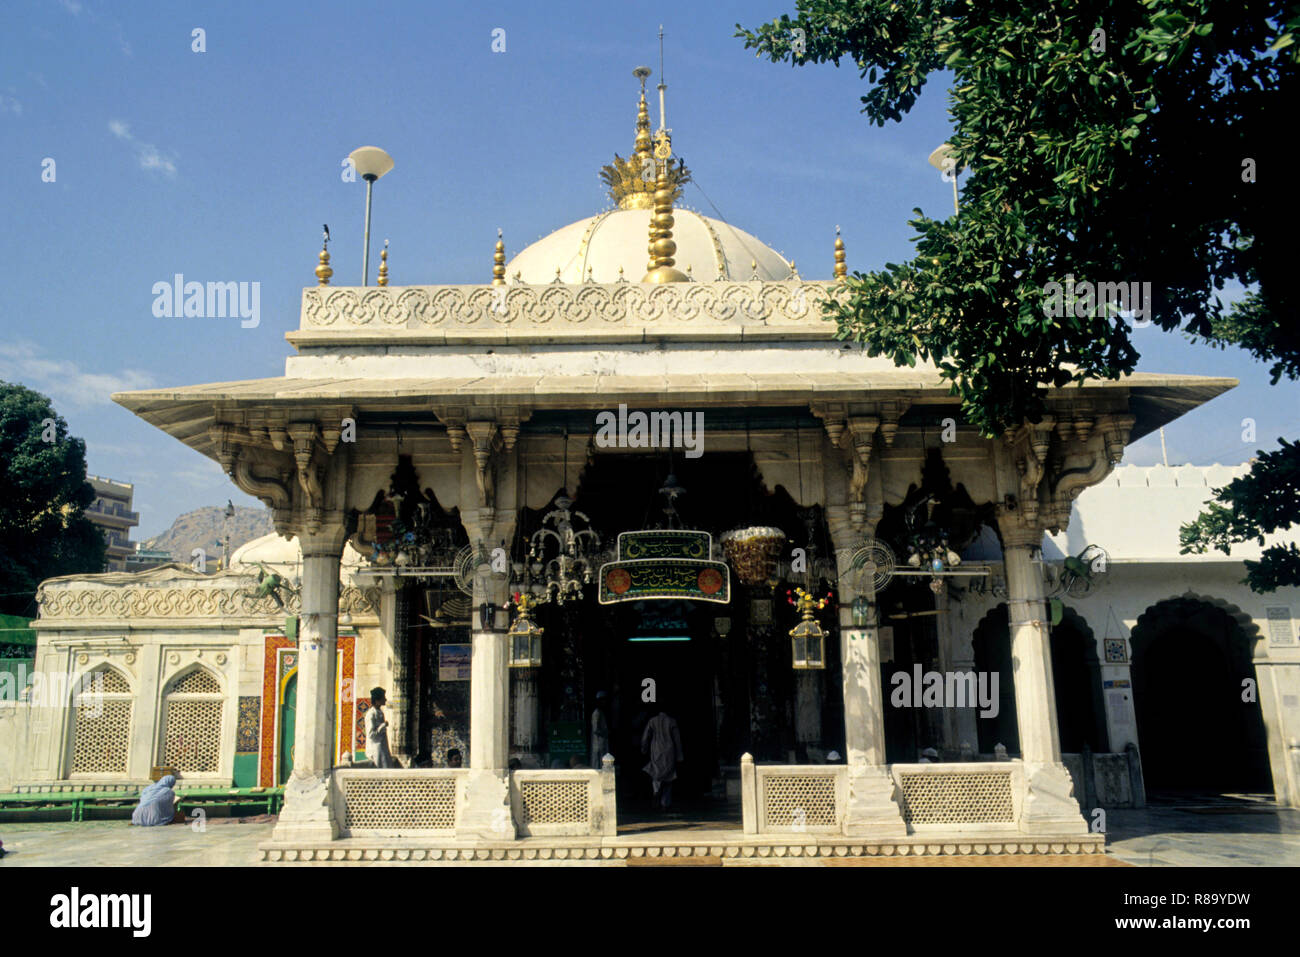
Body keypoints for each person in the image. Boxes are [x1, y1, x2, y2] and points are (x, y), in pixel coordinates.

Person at [641, 707, 684, 810]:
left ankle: (656, 791)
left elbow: (645, 736)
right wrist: (679, 755)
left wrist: (644, 748)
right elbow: (677, 739)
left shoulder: (652, 721)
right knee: (669, 776)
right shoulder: (672, 721)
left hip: (656, 750)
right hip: (669, 750)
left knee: (656, 773)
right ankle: (665, 803)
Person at [366, 688, 396, 768]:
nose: (385, 699)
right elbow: (371, 735)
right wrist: (383, 725)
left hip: (382, 750)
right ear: (377, 700)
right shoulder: (371, 714)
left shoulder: (380, 712)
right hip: (375, 751)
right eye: (383, 697)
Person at [591, 690, 610, 770]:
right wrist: (605, 733)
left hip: (602, 743)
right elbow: (595, 730)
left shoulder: (601, 712)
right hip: (598, 744)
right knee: (598, 764)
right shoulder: (597, 713)